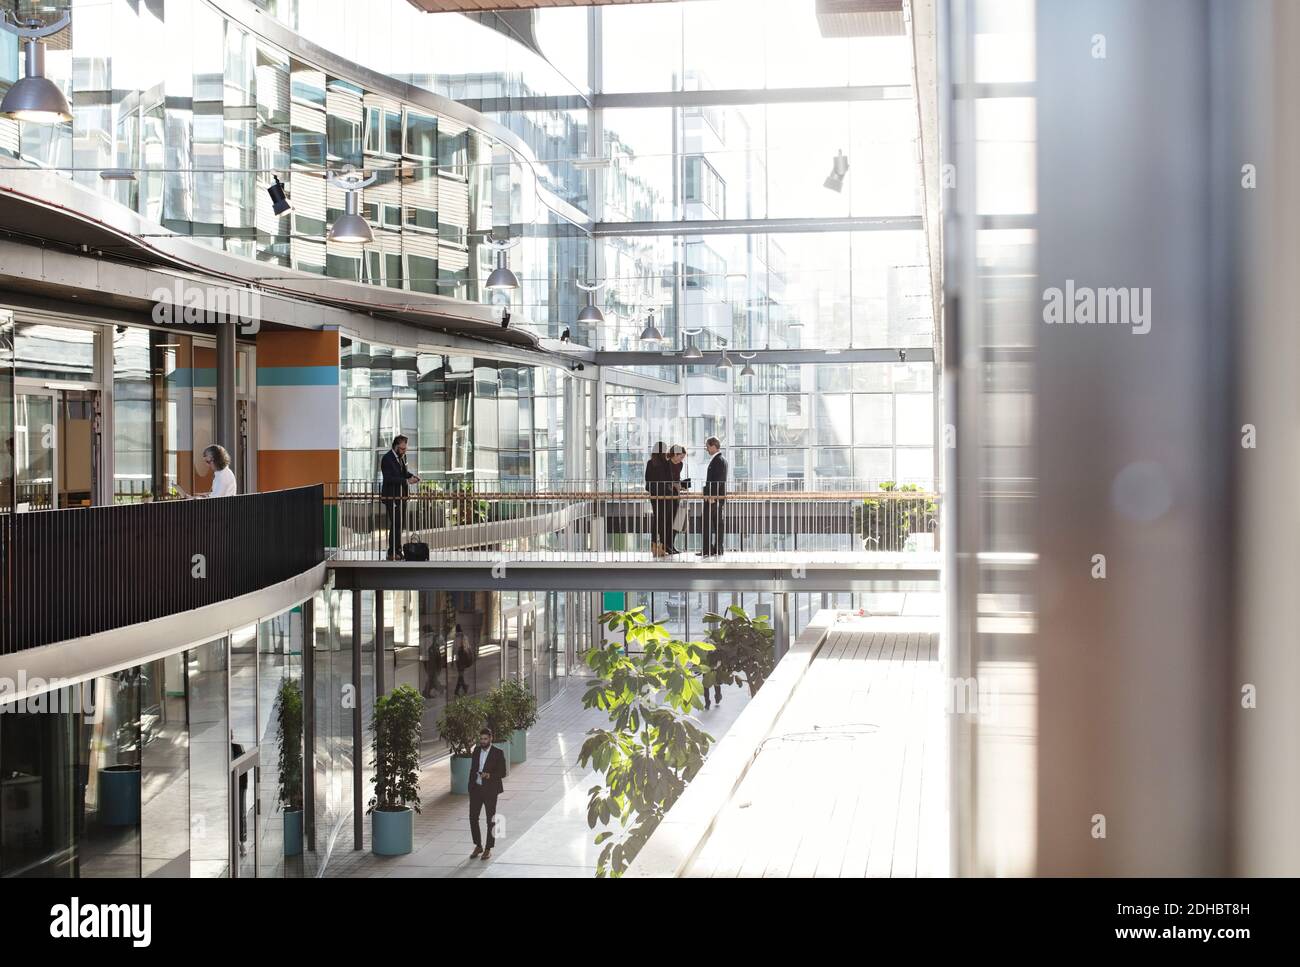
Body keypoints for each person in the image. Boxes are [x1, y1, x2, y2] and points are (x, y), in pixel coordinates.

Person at [468, 727, 507, 860]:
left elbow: (503, 772)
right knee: (473, 818)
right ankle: (478, 845)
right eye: (481, 739)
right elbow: (473, 769)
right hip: (476, 790)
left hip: (490, 790)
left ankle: (488, 848)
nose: (483, 741)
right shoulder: (477, 750)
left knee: (490, 820)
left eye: (485, 739)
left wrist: (489, 775)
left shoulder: (498, 753)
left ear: (491, 738)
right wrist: (470, 788)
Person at [380, 435, 419, 561]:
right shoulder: (387, 459)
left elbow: (404, 473)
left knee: (400, 524)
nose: (404, 451)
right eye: (402, 449)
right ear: (396, 447)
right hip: (392, 496)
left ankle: (398, 549)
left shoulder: (402, 457)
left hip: (402, 496)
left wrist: (413, 476)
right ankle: (392, 551)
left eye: (405, 449)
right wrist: (407, 481)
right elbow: (388, 478)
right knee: (395, 524)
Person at [700, 436, 728, 558]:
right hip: (715, 497)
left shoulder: (718, 461)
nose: (707, 449)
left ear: (713, 446)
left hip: (713, 498)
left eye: (707, 447)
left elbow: (718, 480)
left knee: (708, 523)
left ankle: (709, 550)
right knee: (717, 524)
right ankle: (716, 549)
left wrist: (712, 496)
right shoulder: (720, 460)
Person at [644, 442, 673, 557]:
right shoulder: (666, 463)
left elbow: (647, 479)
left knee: (656, 519)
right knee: (664, 521)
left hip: (654, 495)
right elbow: (670, 480)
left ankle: (654, 546)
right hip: (665, 496)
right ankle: (661, 547)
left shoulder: (650, 463)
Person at [667, 445, 689, 555]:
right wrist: (674, 484)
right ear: (675, 454)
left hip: (676, 495)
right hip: (667, 495)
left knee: (676, 521)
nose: (682, 460)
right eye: (681, 457)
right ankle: (667, 545)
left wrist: (681, 485)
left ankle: (671, 545)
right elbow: (666, 480)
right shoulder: (666, 464)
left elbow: (676, 478)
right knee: (669, 521)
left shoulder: (680, 464)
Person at [453, 625, 474, 696]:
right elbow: (468, 648)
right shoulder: (465, 637)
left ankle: (461, 688)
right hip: (464, 659)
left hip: (458, 660)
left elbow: (453, 650)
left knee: (460, 674)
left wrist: (453, 660)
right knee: (461, 675)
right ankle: (462, 688)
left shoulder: (455, 639)